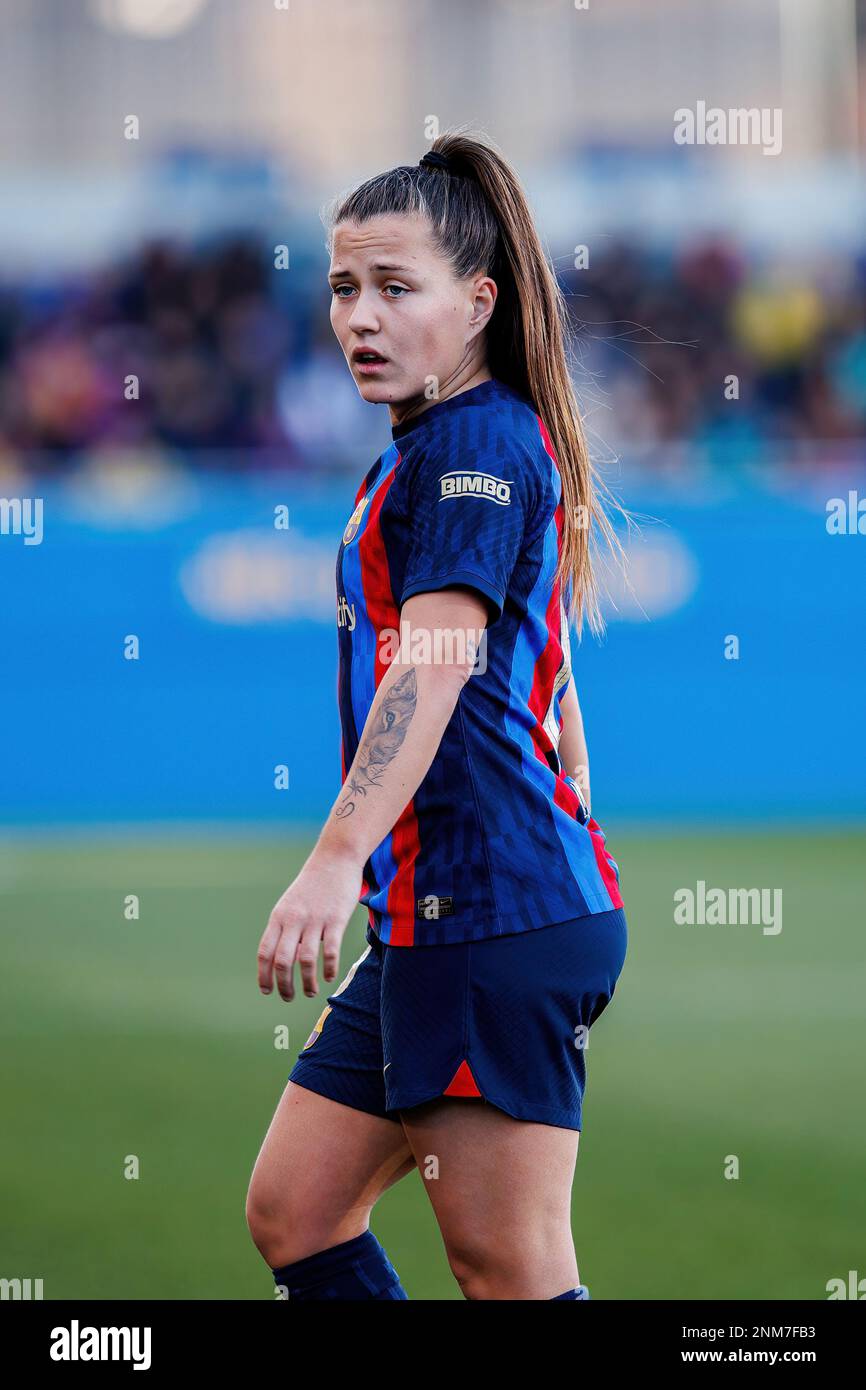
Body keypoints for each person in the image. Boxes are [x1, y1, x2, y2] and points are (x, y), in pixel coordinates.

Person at [246, 130, 629, 1302]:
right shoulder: (444, 441)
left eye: (394, 288)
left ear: (478, 300)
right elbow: (550, 679)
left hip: (490, 914)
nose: (360, 317)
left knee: (506, 1273)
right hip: (447, 913)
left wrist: (331, 859)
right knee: (295, 1213)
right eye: (343, 289)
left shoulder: (469, 445)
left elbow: (441, 661)